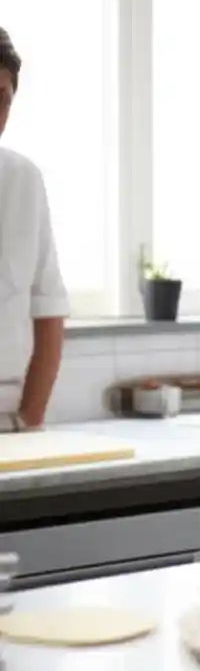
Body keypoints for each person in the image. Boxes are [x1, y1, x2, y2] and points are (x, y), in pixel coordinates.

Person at [0, 26, 68, 433]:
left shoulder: (23, 180)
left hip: (7, 419)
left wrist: (29, 418)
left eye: (2, 100)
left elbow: (49, 308)